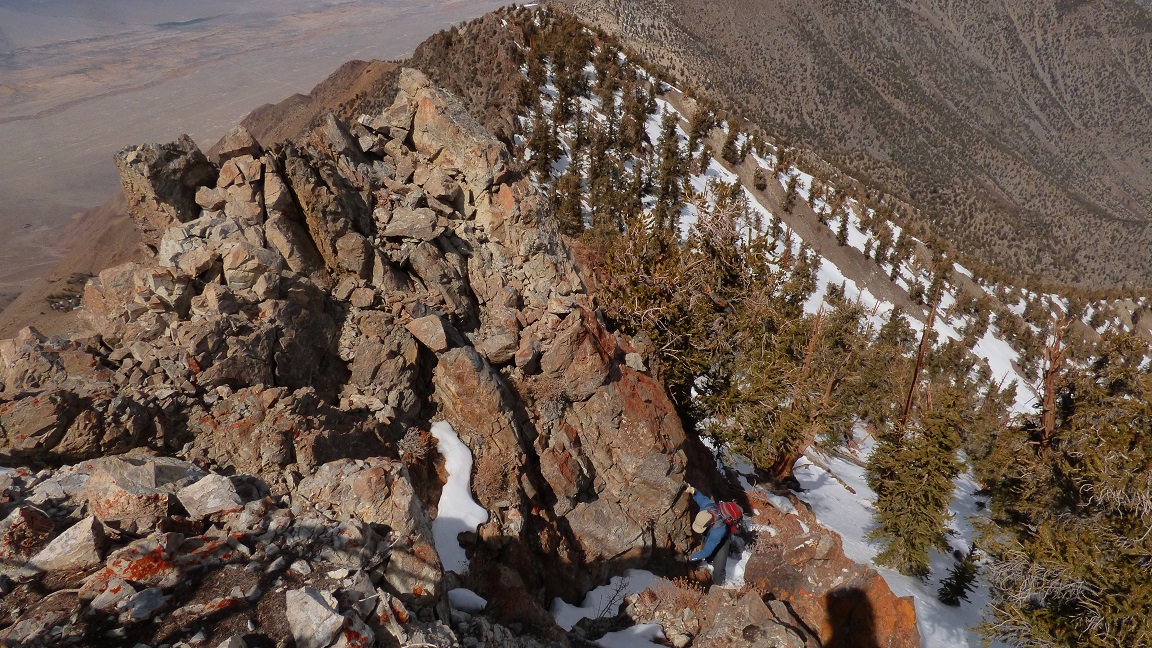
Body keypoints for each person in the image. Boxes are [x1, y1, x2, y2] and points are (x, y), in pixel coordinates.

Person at [686, 485, 733, 584]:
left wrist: (689, 558)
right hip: (710, 535)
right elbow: (700, 497)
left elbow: (707, 551)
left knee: (718, 568)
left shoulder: (718, 530)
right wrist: (693, 490)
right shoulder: (706, 506)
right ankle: (708, 561)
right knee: (708, 551)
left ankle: (720, 586)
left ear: (711, 523)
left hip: (723, 540)